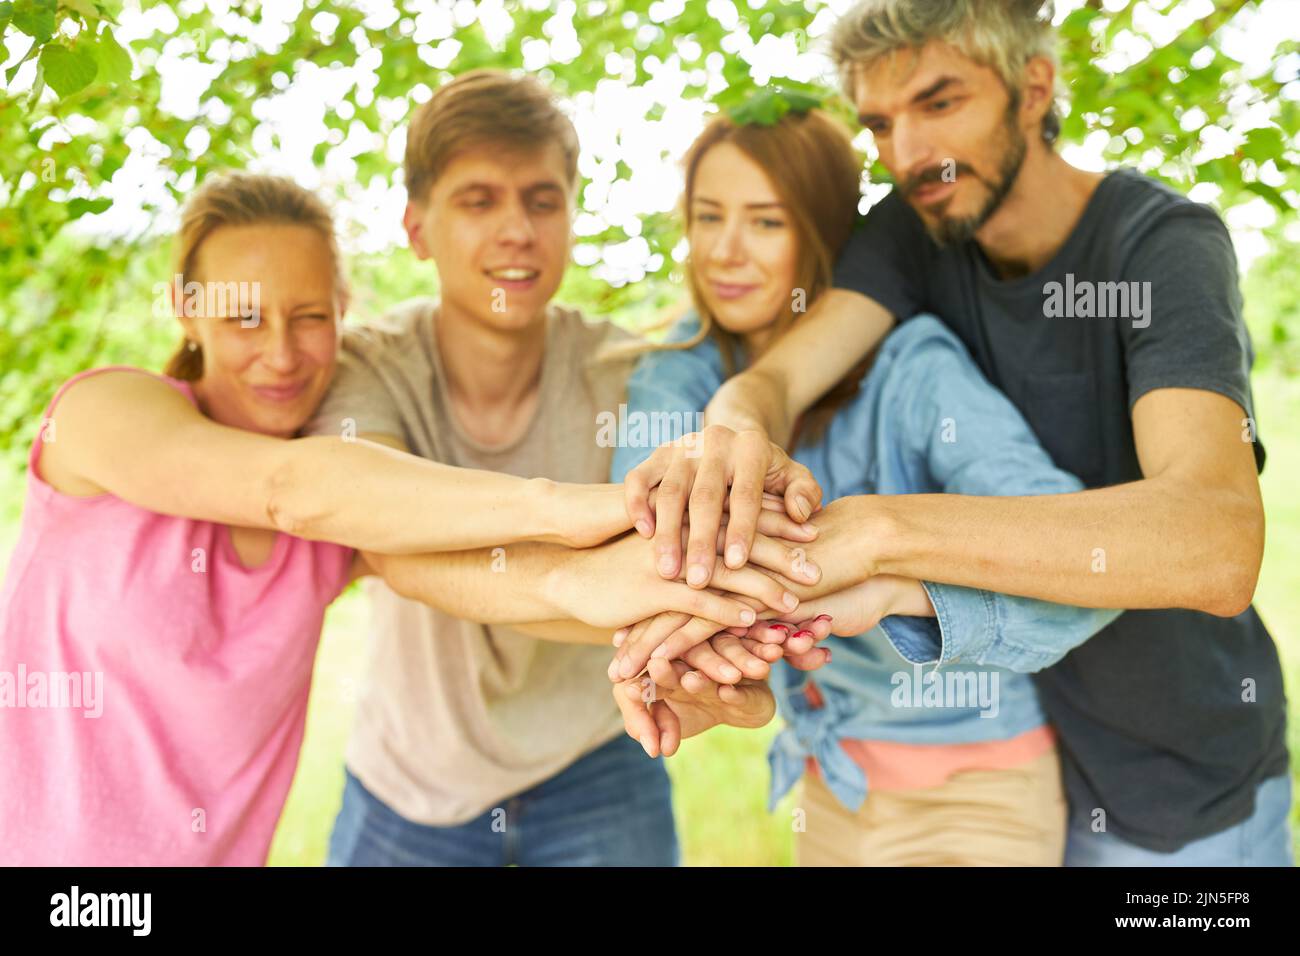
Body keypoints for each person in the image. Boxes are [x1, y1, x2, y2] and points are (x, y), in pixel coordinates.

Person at [622, 0, 1293, 865]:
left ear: (1031, 90)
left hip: (1173, 775)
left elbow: (1216, 542)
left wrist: (879, 536)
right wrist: (735, 430)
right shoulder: (915, 229)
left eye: (940, 104)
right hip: (1029, 740)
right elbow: (782, 374)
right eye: (880, 124)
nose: (907, 155)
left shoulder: (1161, 246)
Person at [0, 171, 797, 866]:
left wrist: (708, 615)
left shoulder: (342, 526)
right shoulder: (103, 415)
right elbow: (290, 488)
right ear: (184, 308)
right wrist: (573, 506)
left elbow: (533, 588)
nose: (280, 354)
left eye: (309, 317)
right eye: (244, 318)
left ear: (343, 311)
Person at [302, 69, 821, 868]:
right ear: (416, 228)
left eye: (542, 200)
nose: (517, 229)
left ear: (572, 217)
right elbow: (378, 538)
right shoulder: (371, 366)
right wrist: (566, 540)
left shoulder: (629, 373)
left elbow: (680, 554)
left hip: (597, 761)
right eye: (479, 201)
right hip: (413, 776)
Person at [609, 107, 1119, 865]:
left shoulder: (912, 367)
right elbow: (645, 558)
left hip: (976, 793)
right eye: (708, 216)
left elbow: (1078, 567)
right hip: (830, 787)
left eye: (767, 223)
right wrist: (686, 649)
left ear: (824, 237)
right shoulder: (674, 372)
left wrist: (889, 574)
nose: (726, 250)